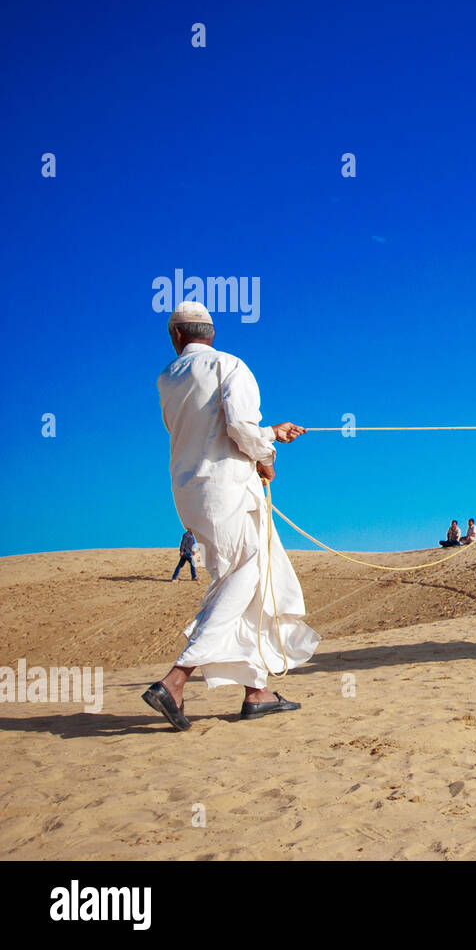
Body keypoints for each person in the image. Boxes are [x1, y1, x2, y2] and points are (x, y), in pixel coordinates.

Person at [143, 301, 317, 732]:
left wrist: (265, 440)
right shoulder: (231, 366)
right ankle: (176, 679)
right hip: (227, 490)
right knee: (245, 575)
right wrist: (268, 447)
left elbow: (206, 431)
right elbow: (239, 427)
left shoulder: (167, 377)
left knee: (241, 582)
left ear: (177, 336)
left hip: (191, 492)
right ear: (211, 334)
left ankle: (256, 692)